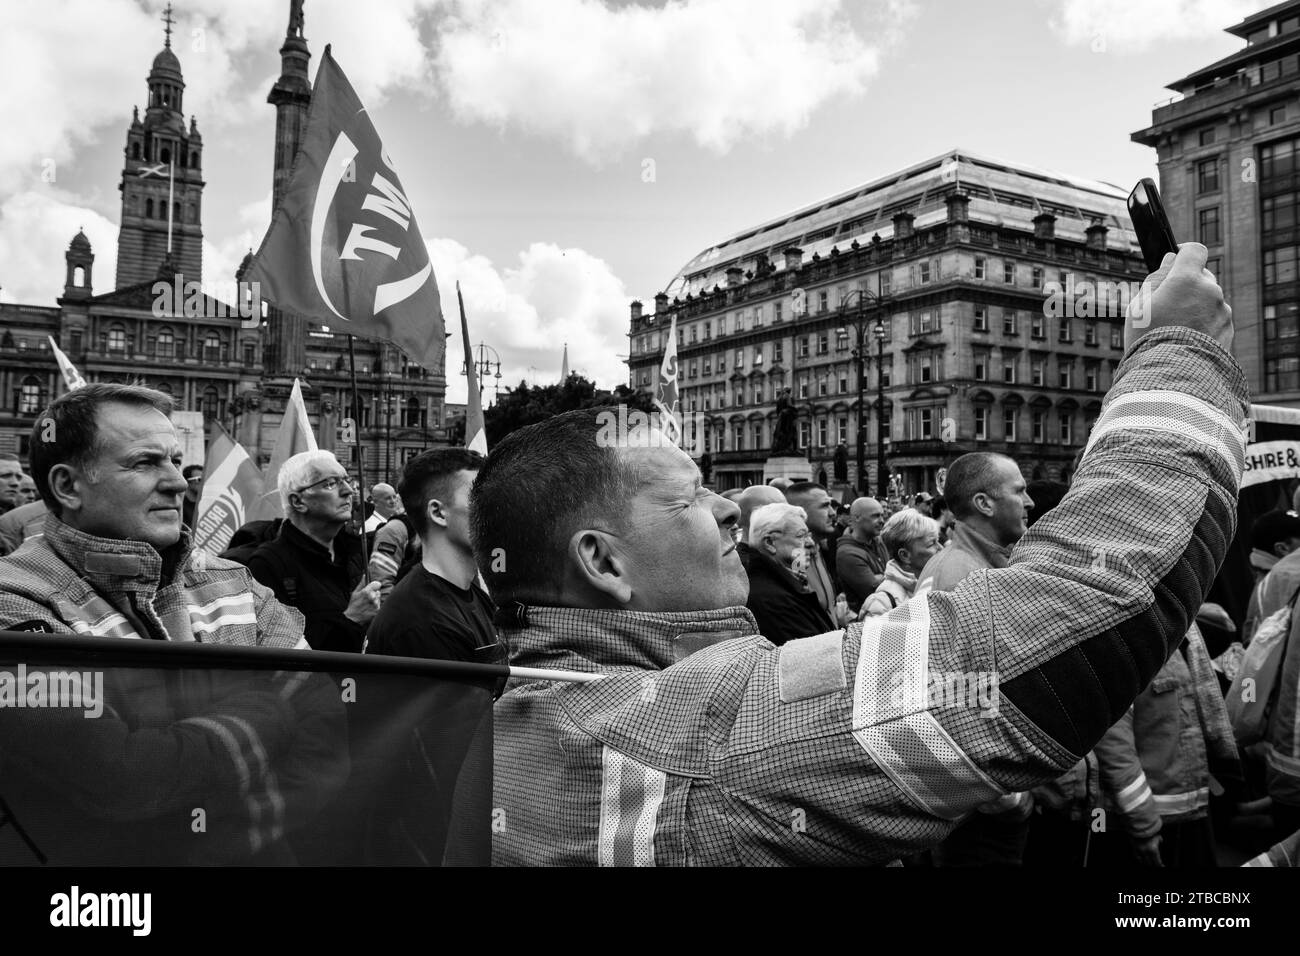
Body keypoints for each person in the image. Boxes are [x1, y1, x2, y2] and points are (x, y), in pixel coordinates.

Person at [479, 243, 1241, 865]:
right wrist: (1181, 355)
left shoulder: (502, 718)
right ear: (602, 562)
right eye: (687, 498)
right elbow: (1074, 628)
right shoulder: (688, 732)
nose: (724, 507)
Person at [0, 383, 347, 862]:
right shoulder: (14, 602)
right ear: (67, 486)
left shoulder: (234, 581)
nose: (179, 483)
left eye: (176, 462)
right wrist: (271, 713)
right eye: (145, 463)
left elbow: (327, 730)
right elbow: (121, 779)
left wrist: (221, 836)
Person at [919, 452, 1036, 866]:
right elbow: (954, 703)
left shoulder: (975, 565)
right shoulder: (965, 576)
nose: (1030, 502)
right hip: (979, 813)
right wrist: (1008, 799)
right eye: (1019, 491)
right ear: (984, 504)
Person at [1087, 624, 1238, 868]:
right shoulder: (1121, 643)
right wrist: (1145, 827)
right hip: (1144, 823)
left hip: (1189, 811)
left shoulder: (1178, 632)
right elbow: (1114, 749)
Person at [365, 449, 500, 665]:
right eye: (480, 498)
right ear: (437, 513)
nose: (496, 508)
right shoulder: (423, 621)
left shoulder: (471, 594)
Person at [246, 450, 382, 653]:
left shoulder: (356, 552)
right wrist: (352, 618)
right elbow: (282, 657)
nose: (348, 491)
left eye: (347, 480)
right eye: (330, 483)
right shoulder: (267, 565)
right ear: (298, 502)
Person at [741, 502, 835, 646]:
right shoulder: (772, 598)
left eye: (808, 535)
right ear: (770, 543)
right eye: (801, 536)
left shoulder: (782, 582)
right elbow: (813, 654)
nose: (810, 543)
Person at [783, 481, 846, 624]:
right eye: (824, 506)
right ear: (799, 512)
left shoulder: (818, 549)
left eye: (831, 505)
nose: (833, 513)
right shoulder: (796, 557)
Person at [859, 509, 941, 617]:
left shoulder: (938, 582)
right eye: (931, 544)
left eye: (938, 541)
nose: (941, 548)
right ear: (905, 555)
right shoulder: (881, 604)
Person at [836, 496, 889, 612]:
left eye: (882, 515)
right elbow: (875, 590)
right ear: (857, 518)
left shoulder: (879, 542)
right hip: (865, 620)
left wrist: (881, 577)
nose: (882, 520)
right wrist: (890, 576)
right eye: (875, 516)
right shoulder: (847, 553)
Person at [181, 463, 203, 530]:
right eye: (199, 479)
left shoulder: (205, 504)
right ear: (187, 481)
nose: (203, 482)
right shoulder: (179, 506)